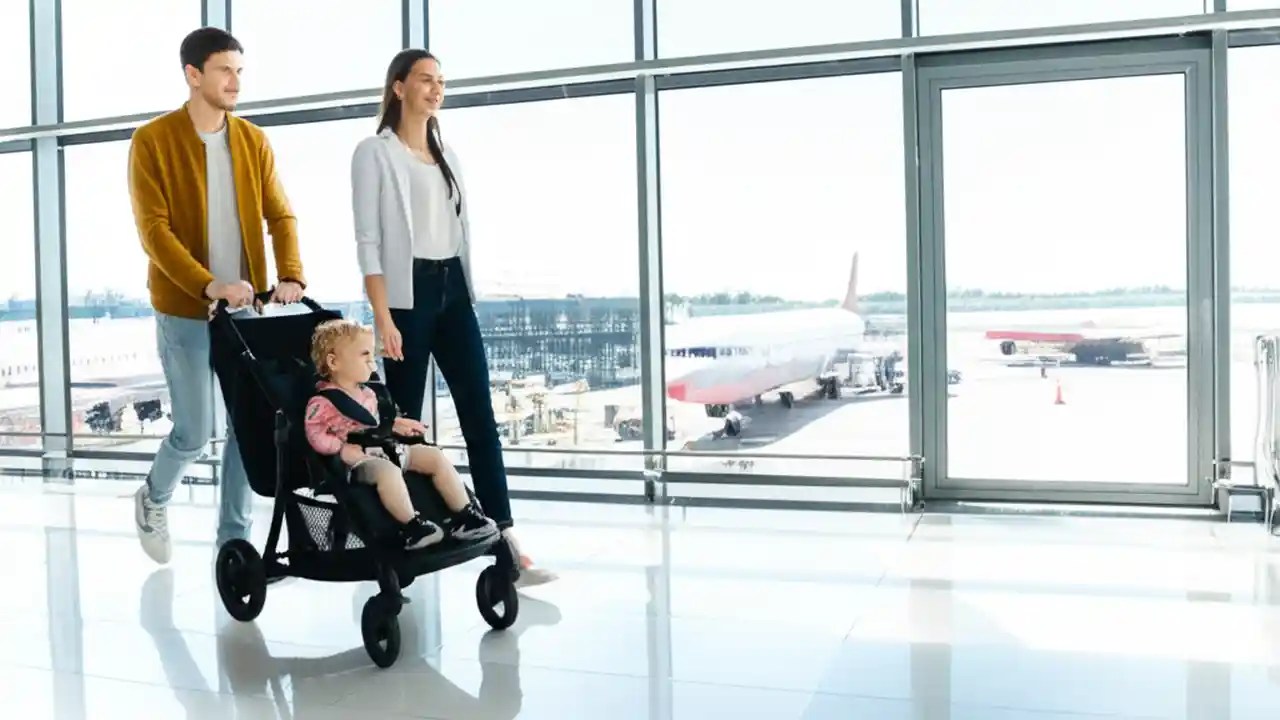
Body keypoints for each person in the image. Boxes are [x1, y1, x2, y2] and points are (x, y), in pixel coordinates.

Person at [350, 48, 556, 587]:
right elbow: (368, 243)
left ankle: (504, 538)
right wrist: (382, 316)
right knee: (404, 425)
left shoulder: (448, 158)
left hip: (452, 291)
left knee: (479, 416)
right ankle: (405, 543)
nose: (436, 89)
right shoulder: (375, 153)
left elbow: (458, 235)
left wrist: (463, 292)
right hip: (405, 294)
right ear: (398, 88)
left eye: (441, 81)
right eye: (425, 80)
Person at [129, 27, 307, 564]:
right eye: (224, 70)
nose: (235, 81)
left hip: (246, 313)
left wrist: (291, 273)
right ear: (193, 75)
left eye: (239, 71)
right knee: (193, 429)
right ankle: (153, 497)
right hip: (185, 309)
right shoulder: (154, 140)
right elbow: (154, 231)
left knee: (246, 425)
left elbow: (280, 214)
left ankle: (233, 537)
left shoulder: (253, 141)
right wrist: (209, 285)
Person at [303, 319, 497, 549]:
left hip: (387, 448)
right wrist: (341, 449)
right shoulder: (323, 402)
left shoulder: (367, 393)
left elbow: (377, 422)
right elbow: (314, 433)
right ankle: (413, 527)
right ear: (334, 362)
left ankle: (465, 516)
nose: (371, 362)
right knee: (387, 472)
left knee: (433, 456)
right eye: (364, 355)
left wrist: (395, 424)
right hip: (358, 462)